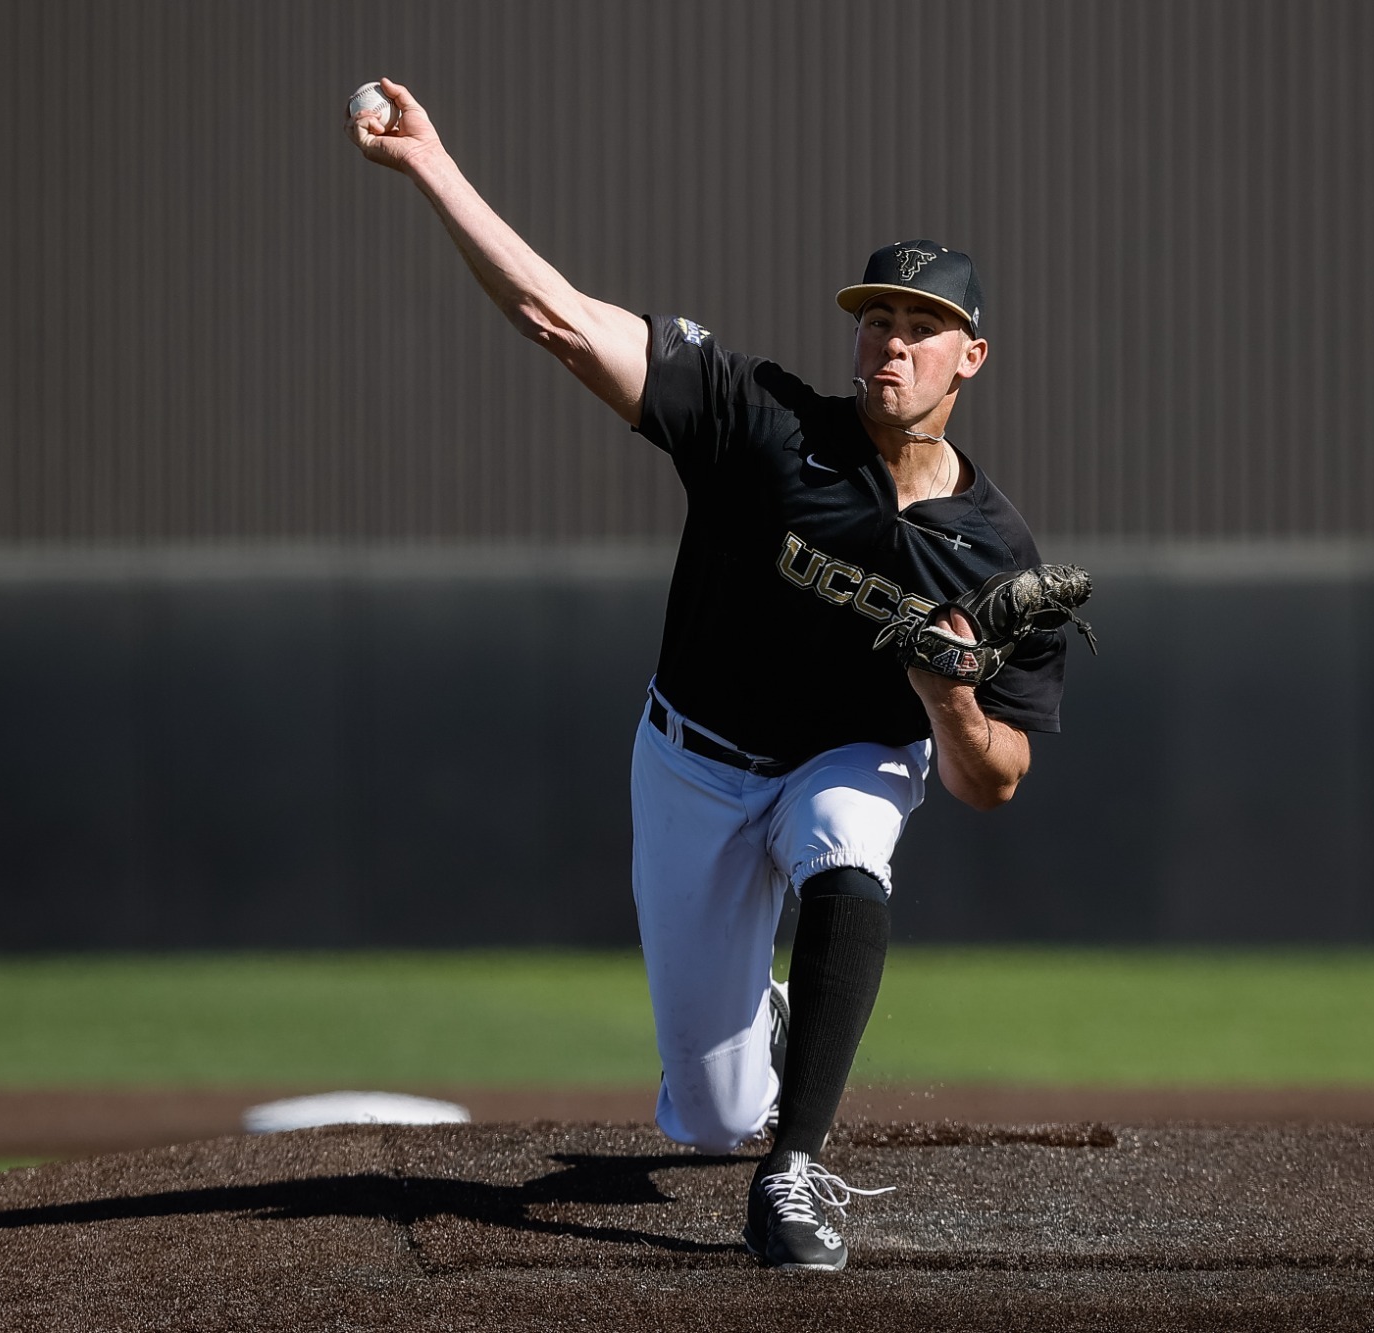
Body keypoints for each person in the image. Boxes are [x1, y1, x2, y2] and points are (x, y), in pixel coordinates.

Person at [347, 78, 1071, 1272]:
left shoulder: (995, 555)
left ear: (970, 356)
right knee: (712, 1111)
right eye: (875, 318)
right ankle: (768, 1059)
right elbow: (563, 321)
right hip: (692, 761)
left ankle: (800, 1172)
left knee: (848, 831)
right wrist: (431, 166)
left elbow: (993, 781)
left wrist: (949, 701)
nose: (890, 340)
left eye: (920, 323)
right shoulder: (762, 423)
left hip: (848, 753)